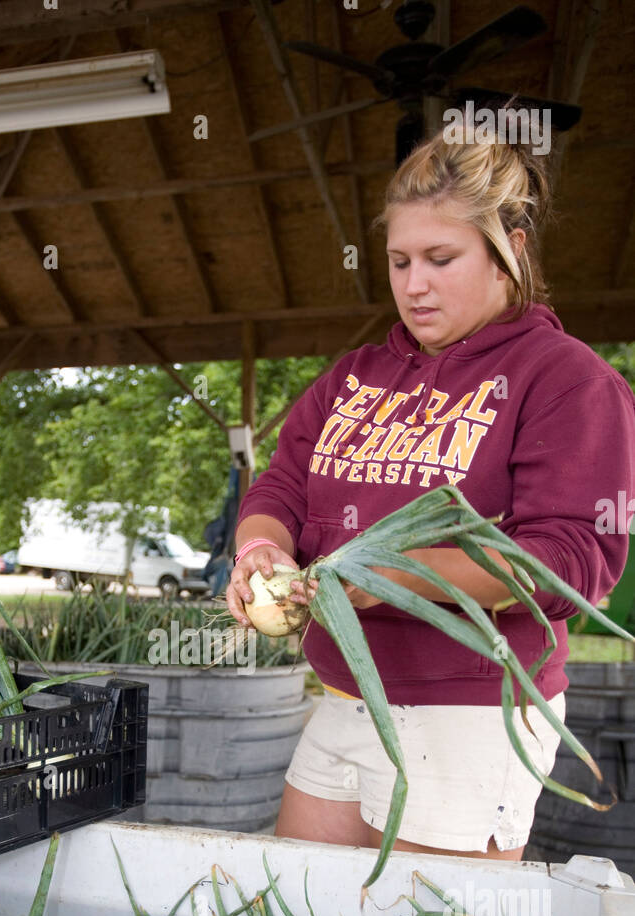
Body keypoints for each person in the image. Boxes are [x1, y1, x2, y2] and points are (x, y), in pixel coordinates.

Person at [226, 127, 635, 863]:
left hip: (472, 718)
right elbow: (282, 483)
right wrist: (261, 549)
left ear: (509, 250)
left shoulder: (567, 380)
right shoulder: (357, 375)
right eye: (400, 261)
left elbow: (570, 562)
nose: (415, 284)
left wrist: (391, 577)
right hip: (345, 696)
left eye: (442, 260)